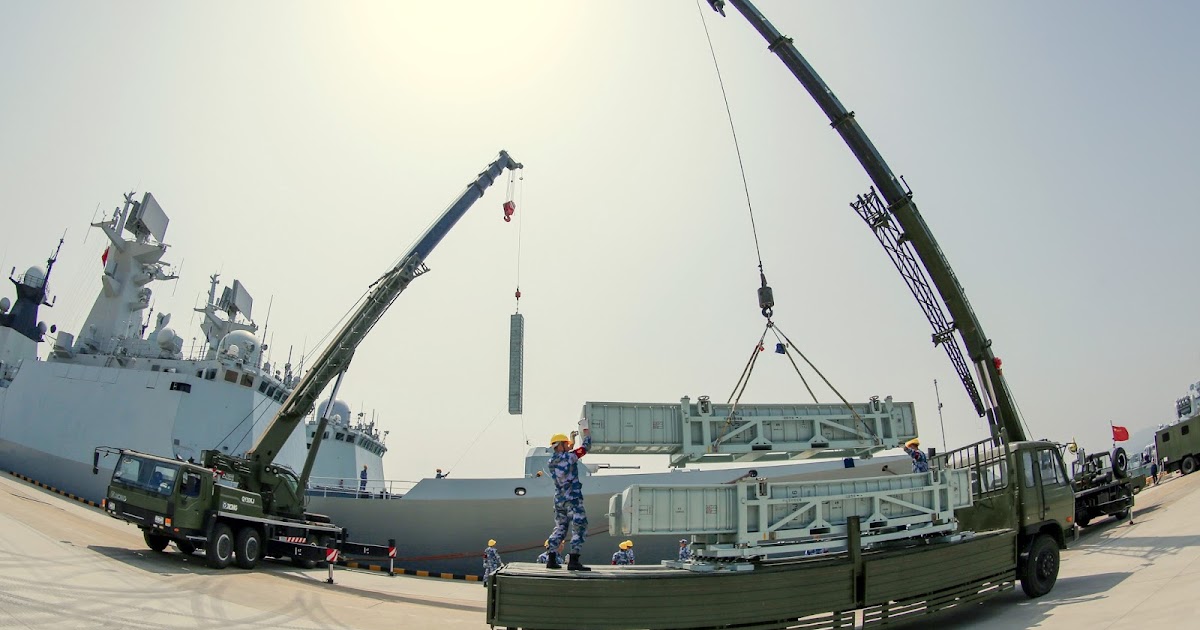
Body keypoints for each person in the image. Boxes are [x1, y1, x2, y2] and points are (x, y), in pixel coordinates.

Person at [545, 427, 591, 571]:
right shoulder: (570, 457)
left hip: (559, 500)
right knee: (579, 526)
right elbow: (585, 448)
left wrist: (571, 441)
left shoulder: (551, 462)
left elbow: (567, 453)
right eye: (565, 444)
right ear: (559, 445)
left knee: (560, 528)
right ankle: (573, 560)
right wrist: (587, 435)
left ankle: (551, 558)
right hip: (573, 498)